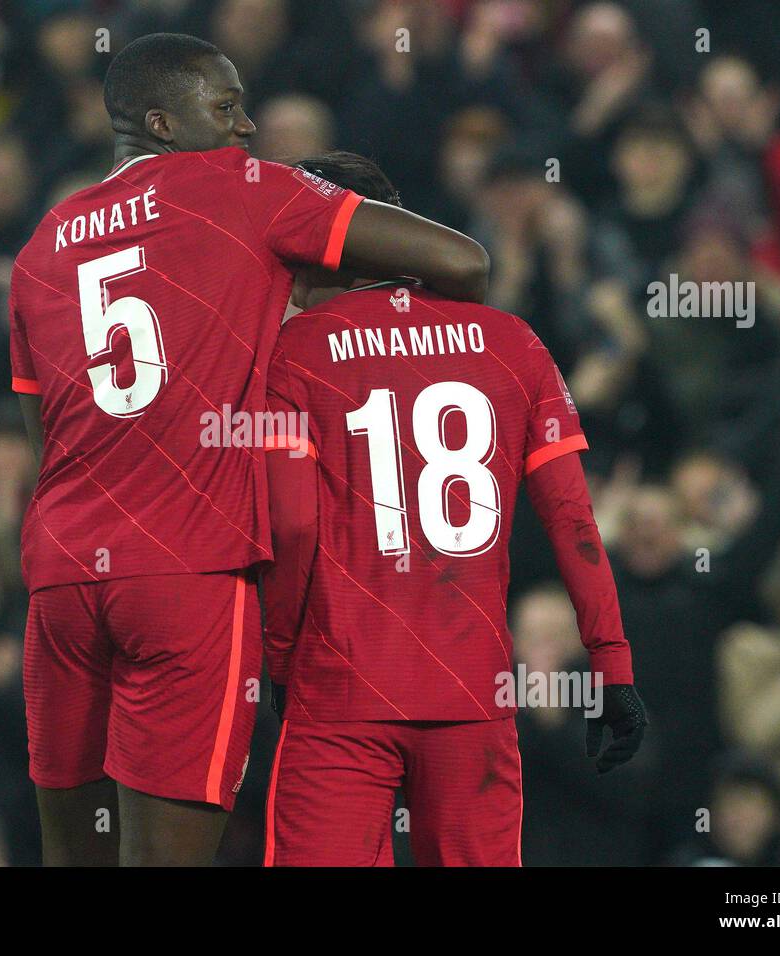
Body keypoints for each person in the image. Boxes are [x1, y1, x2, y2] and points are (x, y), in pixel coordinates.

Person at [10, 33, 490, 867]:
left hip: (60, 577)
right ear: (161, 122)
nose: (248, 126)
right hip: (187, 574)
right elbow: (463, 262)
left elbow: (40, 437)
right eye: (226, 107)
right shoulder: (246, 188)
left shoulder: (43, 242)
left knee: (72, 854)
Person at [259, 152, 645, 866]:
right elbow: (573, 521)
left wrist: (280, 660)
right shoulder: (514, 342)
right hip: (475, 693)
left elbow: (292, 526)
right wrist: (611, 664)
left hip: (340, 690)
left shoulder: (292, 355)